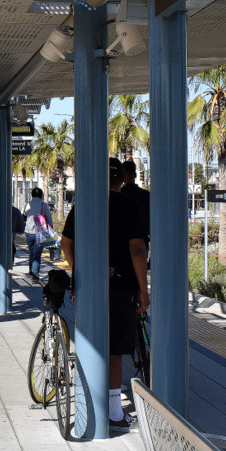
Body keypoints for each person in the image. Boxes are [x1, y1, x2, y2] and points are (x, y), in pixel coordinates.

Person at [60, 158, 150, 432]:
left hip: (88, 285)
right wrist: (143, 289)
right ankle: (113, 412)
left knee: (90, 341)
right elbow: (137, 249)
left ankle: (87, 405)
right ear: (123, 178)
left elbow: (66, 243)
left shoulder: (84, 204)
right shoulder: (129, 204)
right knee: (114, 349)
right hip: (120, 285)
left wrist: (78, 273)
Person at [23, 186, 53, 283]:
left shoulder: (27, 204)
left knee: (31, 253)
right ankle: (35, 275)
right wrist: (50, 231)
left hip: (28, 232)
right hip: (39, 233)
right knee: (37, 255)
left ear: (32, 195)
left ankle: (31, 273)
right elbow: (49, 219)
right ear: (41, 195)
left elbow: (23, 216)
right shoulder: (44, 205)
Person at [122, 160, 150, 250]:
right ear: (135, 175)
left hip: (122, 241)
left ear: (122, 176)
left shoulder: (118, 195)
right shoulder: (146, 195)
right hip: (142, 240)